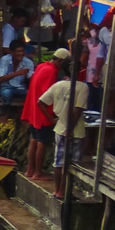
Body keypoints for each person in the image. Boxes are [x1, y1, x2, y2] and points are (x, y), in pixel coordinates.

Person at [39, 61, 90, 199]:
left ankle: (58, 190)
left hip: (59, 127)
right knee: (72, 163)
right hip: (74, 130)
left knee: (59, 161)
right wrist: (70, 129)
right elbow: (78, 110)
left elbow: (41, 102)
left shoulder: (58, 85)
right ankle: (64, 190)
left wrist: (52, 119)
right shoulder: (83, 87)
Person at [22, 47, 70, 179]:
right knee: (42, 141)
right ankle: (38, 172)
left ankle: (29, 170)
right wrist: (53, 115)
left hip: (33, 111)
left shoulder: (42, 66)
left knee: (34, 139)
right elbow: (48, 94)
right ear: (60, 61)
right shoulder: (50, 71)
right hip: (42, 112)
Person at [0, 39, 34, 105]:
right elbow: (0, 79)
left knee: (31, 95)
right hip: (7, 87)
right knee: (6, 94)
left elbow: (31, 78)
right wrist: (18, 73)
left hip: (21, 88)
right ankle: (6, 112)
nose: (21, 54)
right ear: (11, 52)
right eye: (18, 51)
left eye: (22, 51)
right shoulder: (5, 60)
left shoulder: (28, 62)